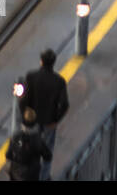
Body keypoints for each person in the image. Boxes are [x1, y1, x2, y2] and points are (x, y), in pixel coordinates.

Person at [22, 48, 70, 180]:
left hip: (32, 120)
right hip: (49, 122)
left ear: (41, 61)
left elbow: (24, 99)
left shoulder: (31, 76)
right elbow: (65, 104)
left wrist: (24, 117)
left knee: (30, 149)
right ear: (53, 63)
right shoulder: (59, 81)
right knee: (47, 152)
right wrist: (56, 119)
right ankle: (44, 177)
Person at [6, 107, 52, 181]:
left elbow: (8, 155)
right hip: (31, 176)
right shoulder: (37, 140)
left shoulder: (15, 137)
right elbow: (48, 156)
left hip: (15, 174)